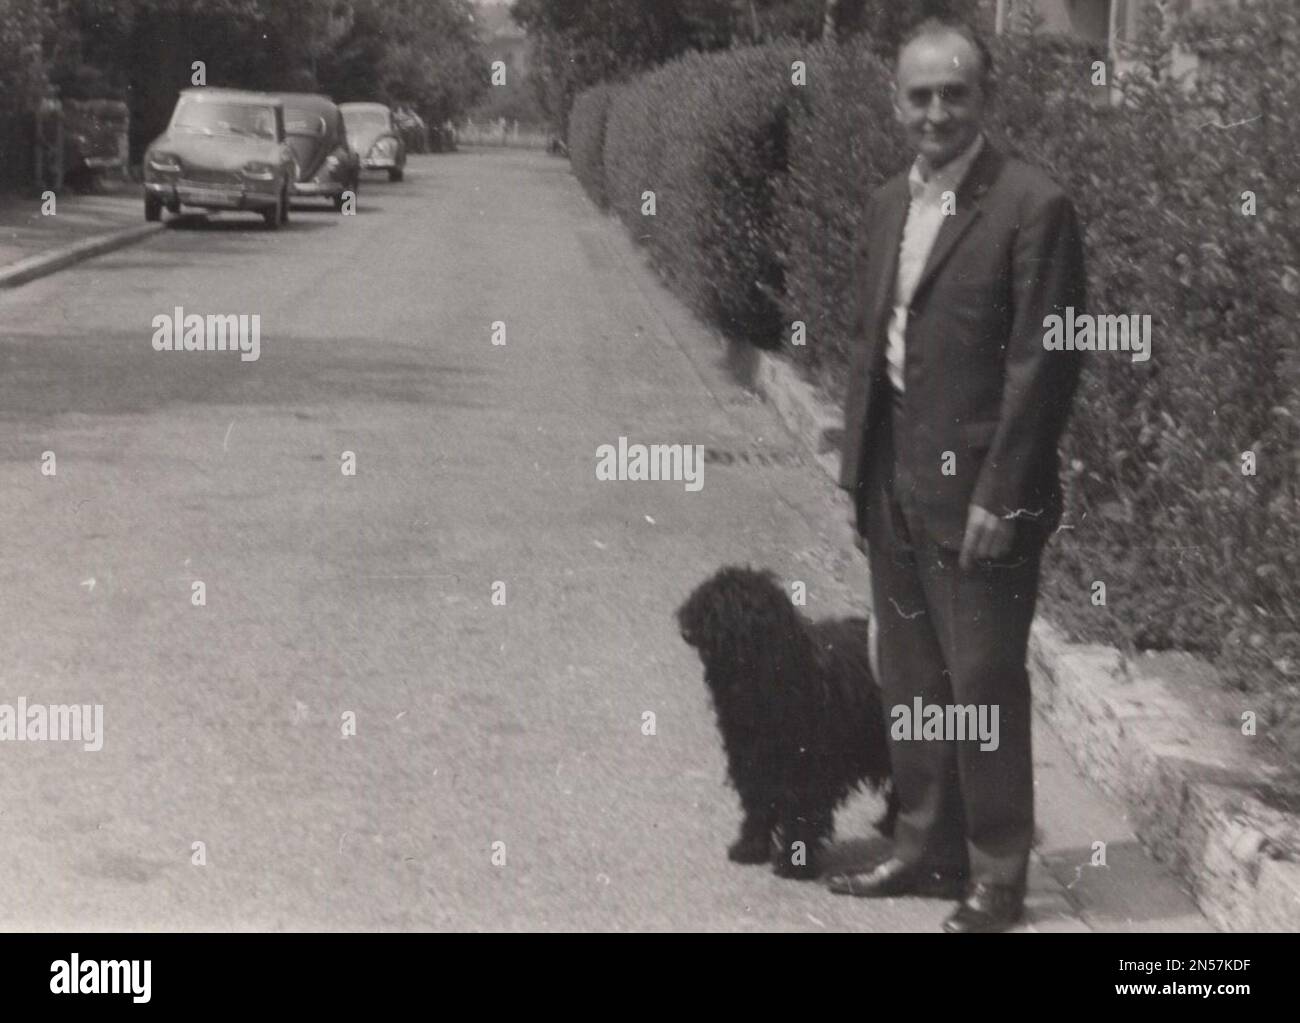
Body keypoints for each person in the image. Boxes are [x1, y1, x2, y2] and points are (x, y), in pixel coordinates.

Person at [826, 17, 1086, 933]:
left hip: (979, 492)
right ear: (896, 103)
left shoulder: (1030, 204)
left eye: (954, 93)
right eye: (918, 95)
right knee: (912, 677)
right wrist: (857, 468)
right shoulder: (885, 205)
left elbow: (1042, 367)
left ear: (986, 99)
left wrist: (1002, 496)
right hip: (892, 479)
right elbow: (873, 344)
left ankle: (998, 874)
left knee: (981, 682)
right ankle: (924, 844)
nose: (934, 111)